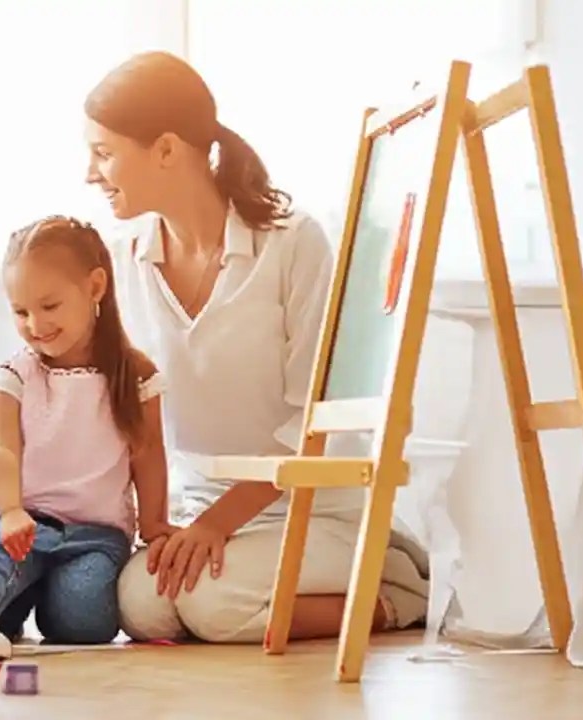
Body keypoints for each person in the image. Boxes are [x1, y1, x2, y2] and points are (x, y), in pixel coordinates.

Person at [81, 51, 430, 643]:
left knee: (212, 607)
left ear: (166, 150)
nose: (91, 173)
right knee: (141, 605)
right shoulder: (124, 259)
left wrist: (219, 524)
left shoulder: (292, 243)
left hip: (311, 504)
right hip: (202, 504)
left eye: (104, 153)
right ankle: (241, 584)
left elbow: (311, 424)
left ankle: (394, 588)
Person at [0, 215, 172, 659]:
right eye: (21, 312)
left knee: (85, 623)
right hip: (27, 522)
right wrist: (11, 509)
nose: (35, 324)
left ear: (95, 288)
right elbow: (4, 449)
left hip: (97, 534)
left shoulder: (136, 375)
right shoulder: (17, 373)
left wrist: (153, 525)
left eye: (49, 306)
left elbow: (149, 453)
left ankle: (19, 594)